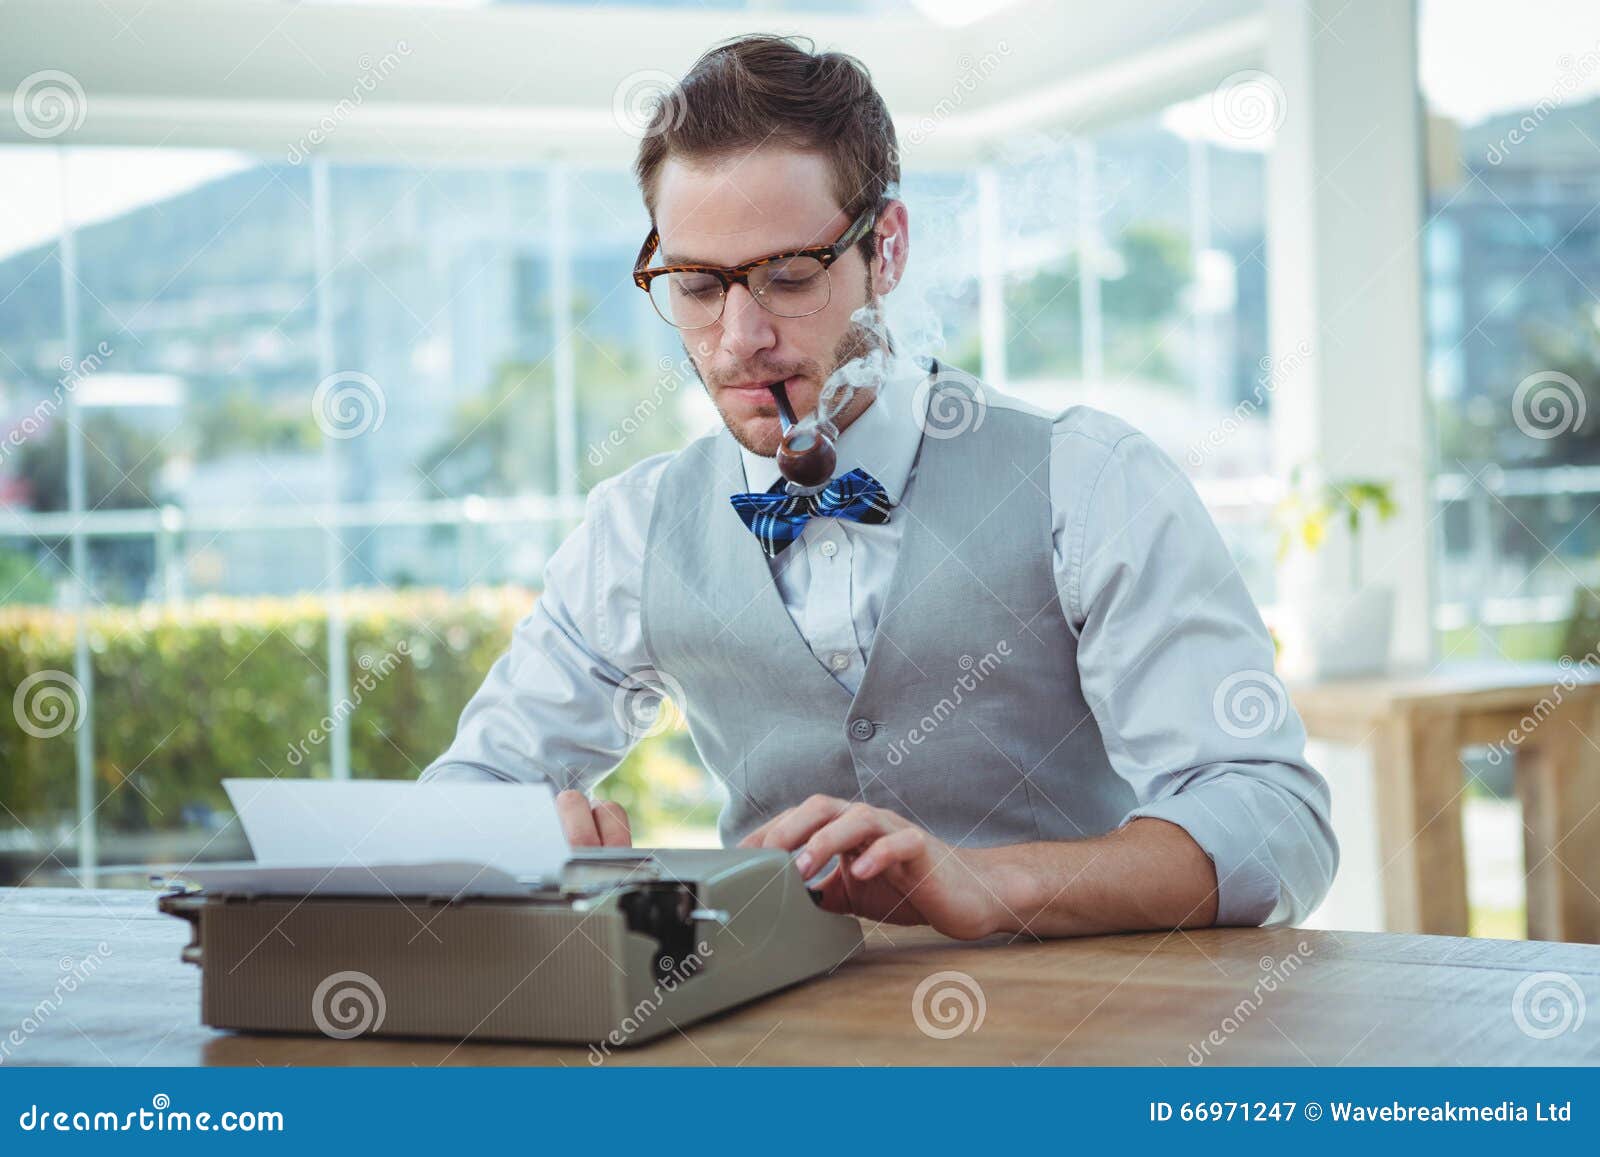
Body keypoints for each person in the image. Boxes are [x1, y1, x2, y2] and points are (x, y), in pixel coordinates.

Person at [421, 34, 1337, 940]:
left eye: (787, 277)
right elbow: (467, 800)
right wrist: (515, 838)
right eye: (698, 286)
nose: (740, 337)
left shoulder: (1089, 483)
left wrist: (986, 883)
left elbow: (1273, 820)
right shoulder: (633, 528)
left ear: (886, 250)